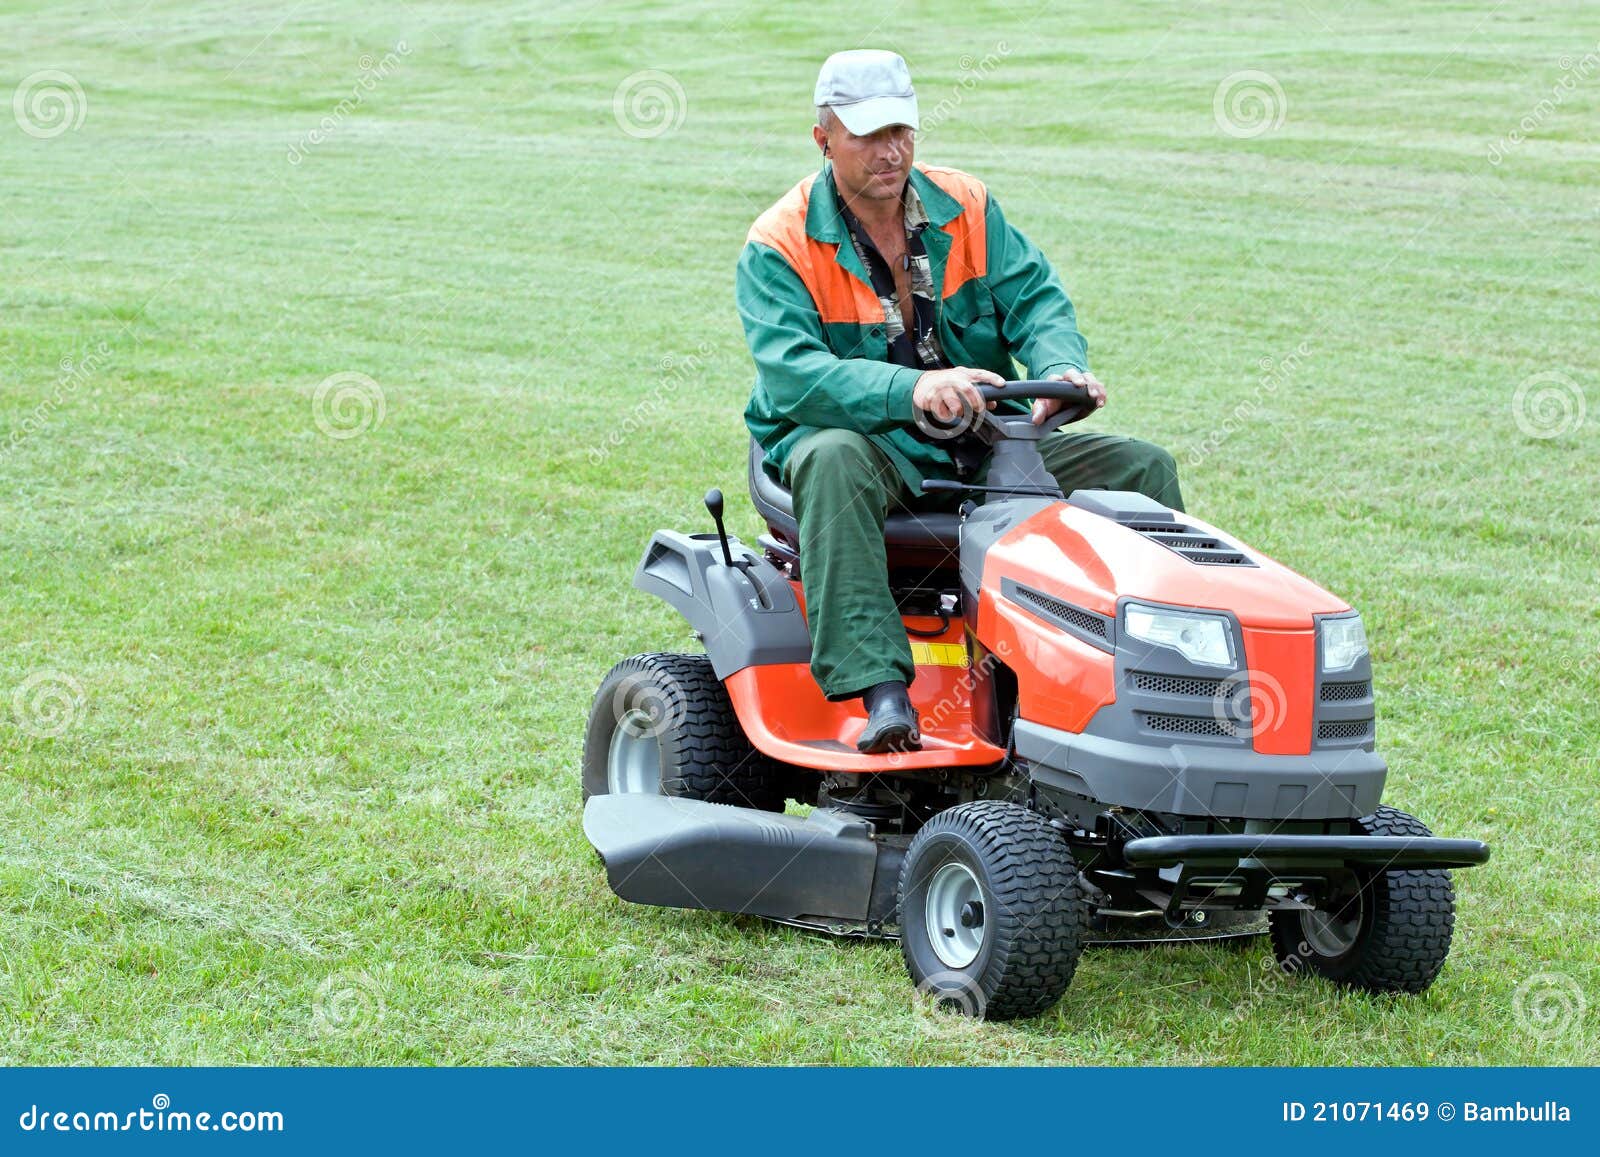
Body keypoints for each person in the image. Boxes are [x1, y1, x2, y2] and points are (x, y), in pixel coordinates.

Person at [736, 49, 1183, 753]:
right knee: (831, 460)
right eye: (869, 135)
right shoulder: (779, 244)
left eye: (902, 131)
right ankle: (882, 690)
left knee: (1141, 471)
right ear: (822, 138)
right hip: (865, 444)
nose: (892, 151)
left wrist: (1062, 366)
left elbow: (1036, 298)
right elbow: (795, 377)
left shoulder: (966, 205)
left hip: (977, 440)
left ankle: (1154, 676)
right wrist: (912, 388)